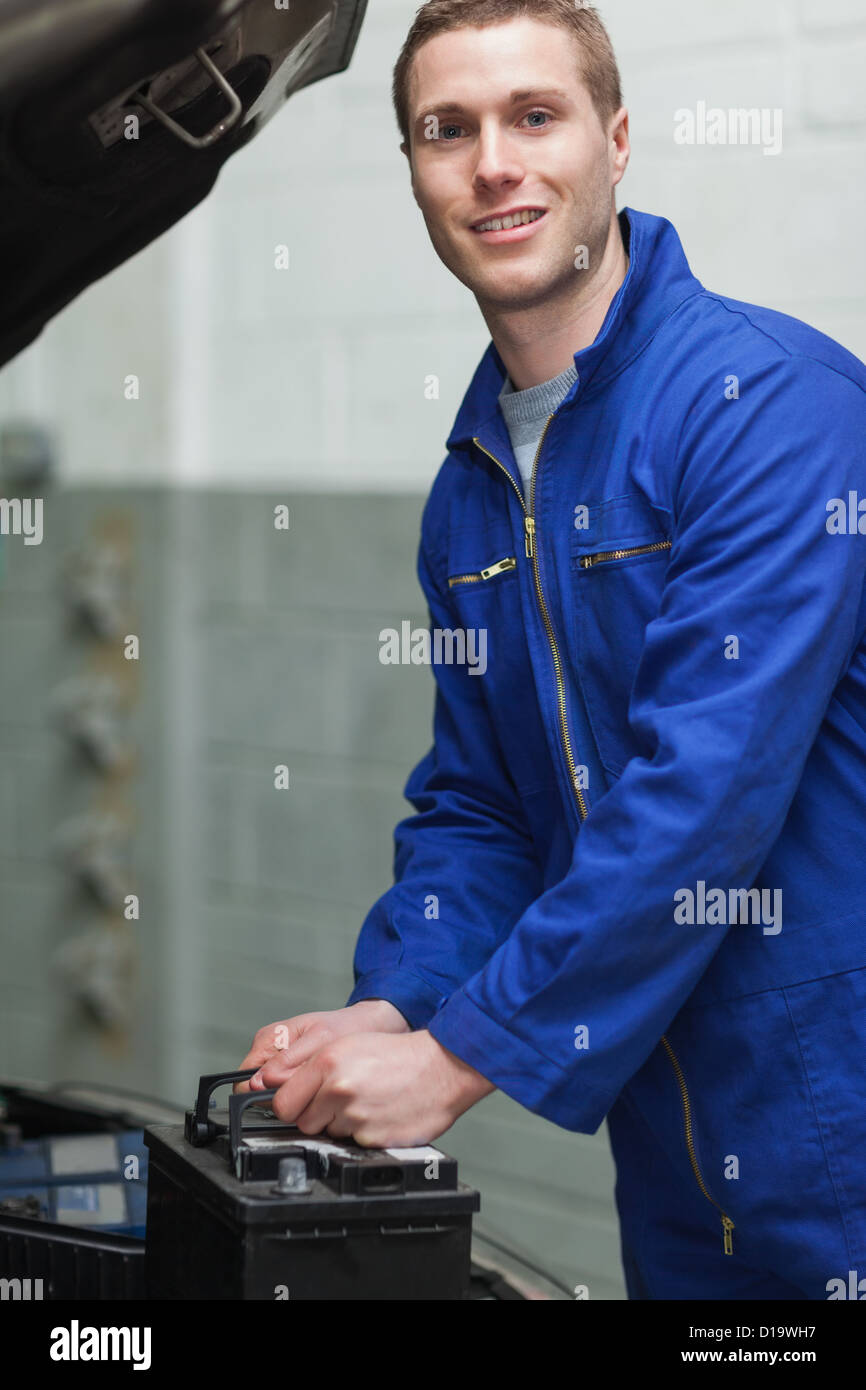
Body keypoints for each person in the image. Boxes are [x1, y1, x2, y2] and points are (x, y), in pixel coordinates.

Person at [239, 0, 866, 1300]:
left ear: (616, 138)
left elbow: (700, 799)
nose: (493, 164)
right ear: (412, 170)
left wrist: (454, 1056)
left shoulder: (770, 413)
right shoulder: (472, 485)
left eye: (534, 116)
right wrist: (399, 996)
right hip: (682, 1148)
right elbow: (481, 808)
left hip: (841, 1111)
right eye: (445, 129)